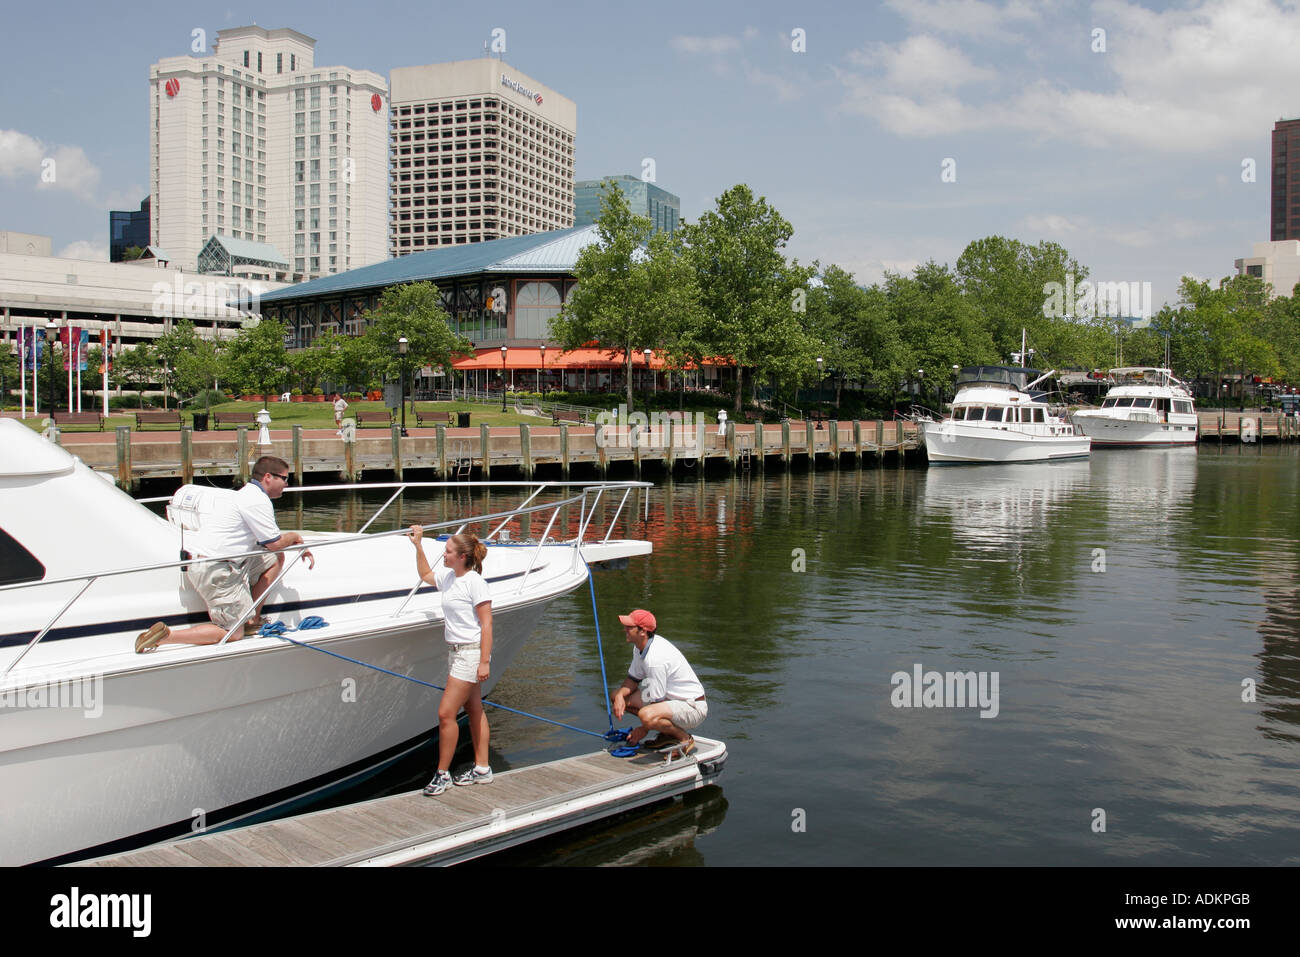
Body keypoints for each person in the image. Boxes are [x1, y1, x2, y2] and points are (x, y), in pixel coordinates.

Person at [135, 456, 314, 652]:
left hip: (215, 561)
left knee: (274, 559)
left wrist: (290, 543)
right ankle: (164, 637)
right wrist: (295, 537)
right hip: (216, 570)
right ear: (269, 477)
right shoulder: (257, 501)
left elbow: (271, 548)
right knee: (233, 632)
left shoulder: (245, 494)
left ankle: (252, 618)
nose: (287, 485)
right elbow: (275, 543)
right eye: (285, 479)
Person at [408, 525, 494, 795]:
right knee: (474, 709)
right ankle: (483, 768)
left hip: (469, 653)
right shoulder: (449, 578)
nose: (443, 555)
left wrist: (484, 661)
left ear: (462, 557)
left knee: (446, 713)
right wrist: (418, 546)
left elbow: (487, 624)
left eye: (448, 551)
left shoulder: (475, 583)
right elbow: (425, 574)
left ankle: (442, 774)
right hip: (455, 652)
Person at [610, 609, 706, 755]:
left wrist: (642, 730)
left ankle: (684, 739)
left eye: (629, 627)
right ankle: (667, 734)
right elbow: (632, 680)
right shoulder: (640, 647)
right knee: (618, 695)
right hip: (670, 701)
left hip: (692, 706)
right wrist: (619, 697)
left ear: (643, 631)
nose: (625, 629)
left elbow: (655, 704)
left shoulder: (655, 659)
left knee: (646, 716)